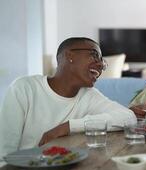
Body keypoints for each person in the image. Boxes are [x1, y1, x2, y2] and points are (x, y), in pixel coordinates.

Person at [0, 37, 136, 160]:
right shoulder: (24, 88)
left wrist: (68, 127)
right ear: (69, 56)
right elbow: (4, 152)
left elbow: (128, 117)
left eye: (102, 61)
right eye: (95, 55)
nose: (100, 65)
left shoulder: (89, 95)